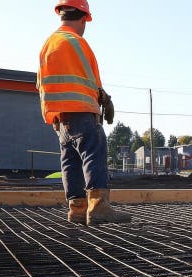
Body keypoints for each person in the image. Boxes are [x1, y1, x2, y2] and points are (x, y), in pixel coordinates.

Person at [38, 0, 130, 225]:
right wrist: (104, 100)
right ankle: (98, 207)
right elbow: (90, 81)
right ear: (83, 18)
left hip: (61, 118)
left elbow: (42, 84)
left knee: (69, 160)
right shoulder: (77, 43)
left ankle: (77, 209)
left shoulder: (48, 44)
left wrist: (54, 116)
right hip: (82, 112)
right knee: (93, 153)